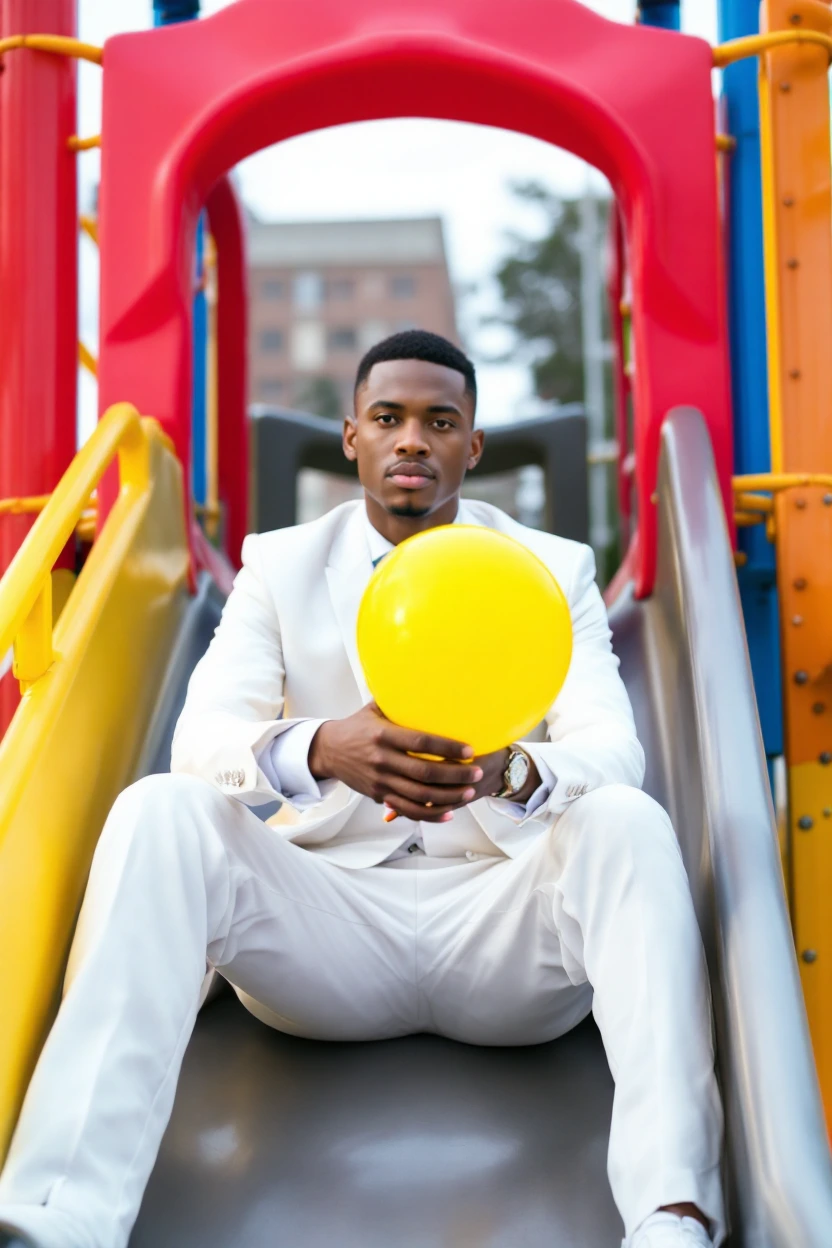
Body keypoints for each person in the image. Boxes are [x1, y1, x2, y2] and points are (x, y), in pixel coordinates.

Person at [0, 330, 724, 1248]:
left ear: (473, 447)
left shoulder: (554, 569)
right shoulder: (279, 564)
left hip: (503, 933)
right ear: (352, 437)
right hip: (326, 931)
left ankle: (672, 1214)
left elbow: (615, 754)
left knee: (626, 819)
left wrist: (506, 770)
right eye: (388, 418)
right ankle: (60, 1216)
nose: (412, 440)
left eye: (439, 421)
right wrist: (321, 748)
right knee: (160, 808)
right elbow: (200, 744)